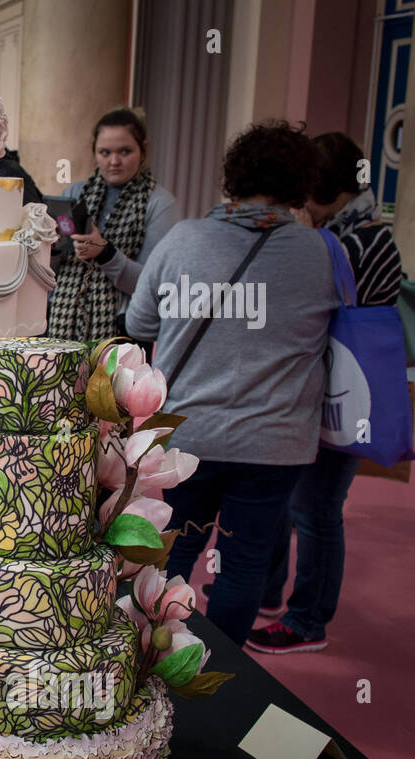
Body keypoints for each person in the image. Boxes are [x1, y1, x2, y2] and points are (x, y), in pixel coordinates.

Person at [125, 120, 339, 646]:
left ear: (233, 175)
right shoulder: (319, 253)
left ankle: (151, 660)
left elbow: (138, 324)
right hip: (274, 442)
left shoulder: (183, 240)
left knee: (171, 553)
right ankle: (223, 677)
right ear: (300, 185)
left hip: (186, 434)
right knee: (243, 563)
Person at [248, 133, 404, 654]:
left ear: (318, 186)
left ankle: (307, 620)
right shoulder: (363, 232)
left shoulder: (343, 243)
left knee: (314, 511)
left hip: (332, 391)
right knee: (297, 503)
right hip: (331, 388)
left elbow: (302, 309)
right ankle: (270, 595)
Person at [49, 108, 180, 342]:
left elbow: (153, 285)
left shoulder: (159, 203)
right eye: (105, 152)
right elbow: (50, 274)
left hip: (121, 334)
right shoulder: (75, 194)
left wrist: (105, 252)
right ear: (95, 153)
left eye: (125, 151)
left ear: (143, 151)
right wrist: (55, 248)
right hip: (64, 324)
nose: (114, 161)